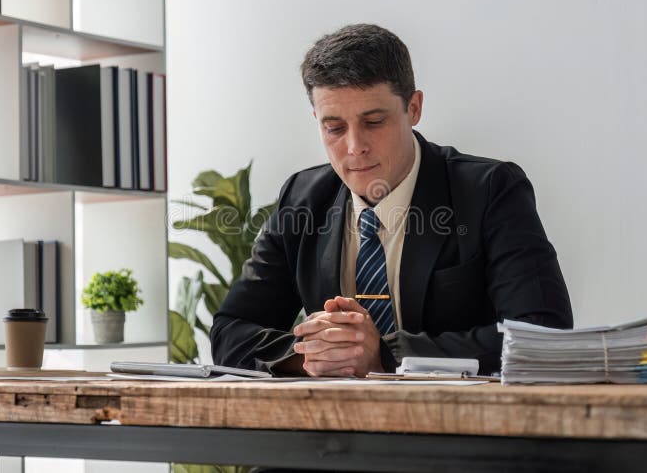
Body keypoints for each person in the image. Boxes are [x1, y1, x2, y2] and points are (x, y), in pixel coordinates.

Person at [211, 23, 572, 377]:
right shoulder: (303, 198)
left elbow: (541, 334)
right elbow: (231, 331)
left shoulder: (490, 190)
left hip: (463, 426)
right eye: (334, 127)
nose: (355, 147)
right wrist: (312, 354)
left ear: (413, 108)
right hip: (333, 430)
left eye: (374, 121)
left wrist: (385, 355)